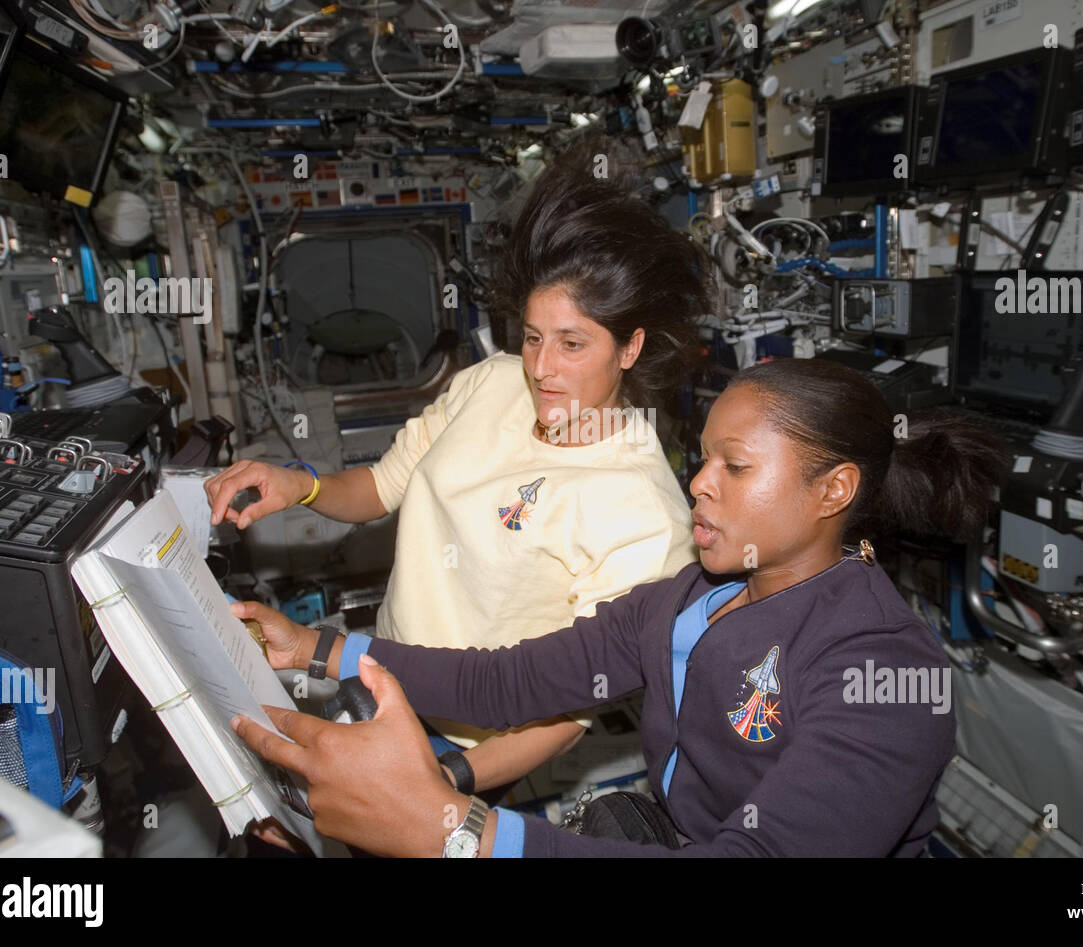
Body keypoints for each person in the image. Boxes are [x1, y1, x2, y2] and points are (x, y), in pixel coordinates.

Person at [232, 356, 1008, 856]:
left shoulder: (883, 670)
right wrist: (318, 649)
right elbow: (508, 683)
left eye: (734, 467)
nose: (700, 483)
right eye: (703, 457)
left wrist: (460, 832)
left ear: (833, 489)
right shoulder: (688, 600)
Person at [205, 141, 708, 795]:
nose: (542, 367)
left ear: (631, 346)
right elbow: (380, 487)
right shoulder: (490, 382)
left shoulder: (642, 510)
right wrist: (301, 485)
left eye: (573, 343)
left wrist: (441, 781)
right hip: (374, 675)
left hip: (471, 746)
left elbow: (572, 710)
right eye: (532, 336)